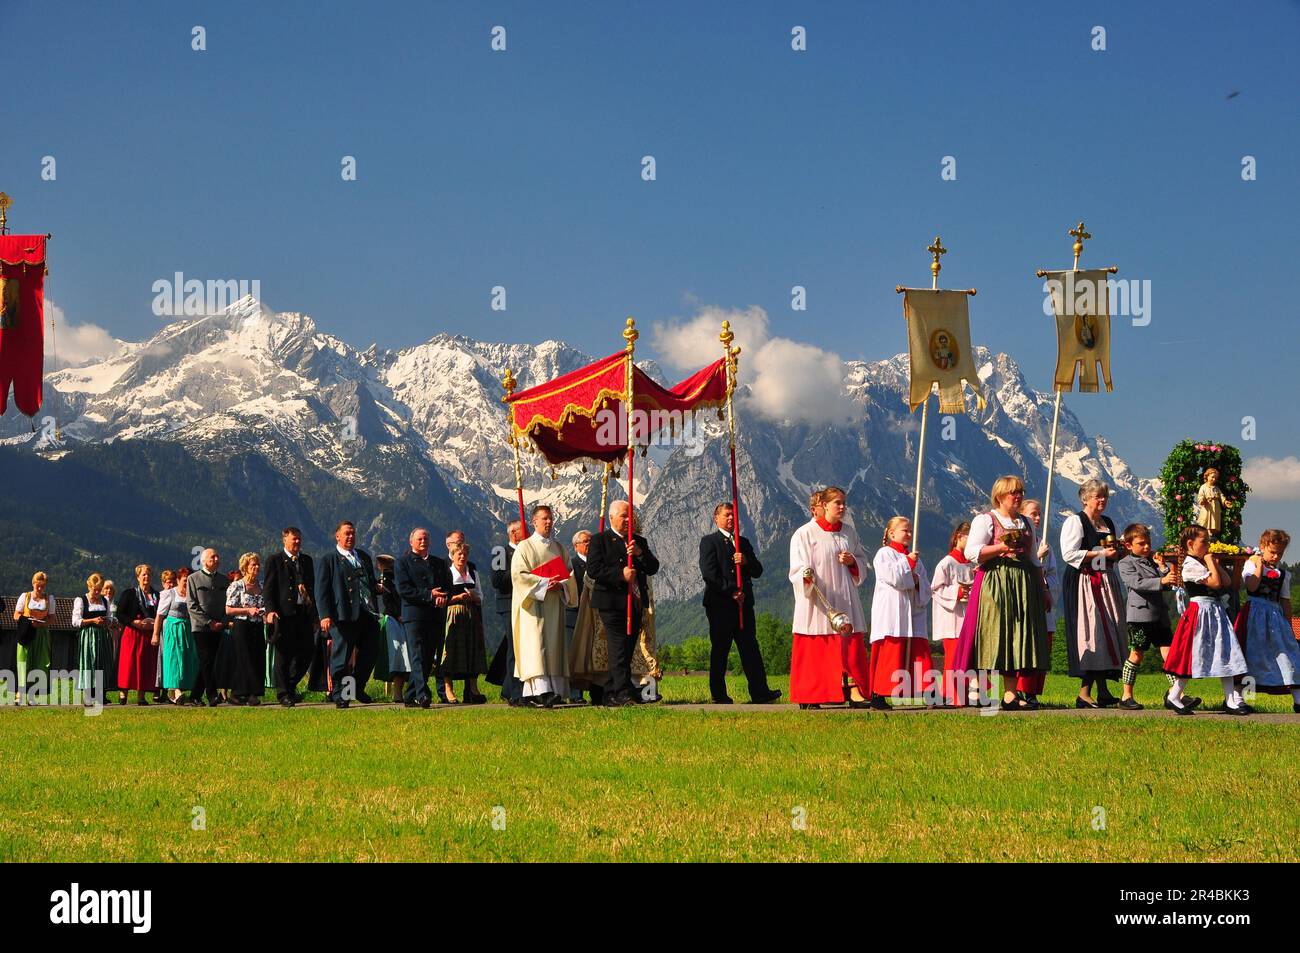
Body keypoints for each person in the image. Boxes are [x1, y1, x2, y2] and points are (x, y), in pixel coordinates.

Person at [954, 475, 1051, 711]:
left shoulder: (1026, 522)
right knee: (993, 632)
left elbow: (1033, 560)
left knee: (1018, 634)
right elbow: (972, 552)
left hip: (1023, 582)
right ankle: (979, 689)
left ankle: (1010, 694)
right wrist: (1001, 547)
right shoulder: (986, 520)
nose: (1018, 496)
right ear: (999, 496)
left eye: (1020, 492)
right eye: (1013, 493)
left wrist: (1043, 589)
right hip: (995, 581)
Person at [788, 486, 872, 709]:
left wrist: (853, 562)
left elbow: (863, 562)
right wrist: (806, 575)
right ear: (824, 505)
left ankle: (854, 691)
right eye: (838, 503)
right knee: (817, 645)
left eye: (844, 503)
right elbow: (797, 567)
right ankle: (812, 694)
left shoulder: (849, 533)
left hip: (844, 596)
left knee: (849, 645)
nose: (843, 507)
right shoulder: (805, 533)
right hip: (819, 599)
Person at [700, 503, 779, 704]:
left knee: (750, 648)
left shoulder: (743, 543)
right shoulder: (710, 542)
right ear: (716, 517)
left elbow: (758, 571)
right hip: (720, 605)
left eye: (734, 516)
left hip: (744, 605)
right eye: (727, 515)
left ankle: (760, 691)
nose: (731, 519)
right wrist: (731, 591)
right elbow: (709, 574)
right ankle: (719, 694)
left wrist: (746, 561)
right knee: (721, 649)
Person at [1164, 525, 1248, 714]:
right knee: (1193, 655)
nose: (1208, 545)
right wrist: (1210, 561)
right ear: (1190, 544)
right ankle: (1174, 694)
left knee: (1226, 651)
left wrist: (1215, 563)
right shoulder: (1189, 566)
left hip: (1215, 611)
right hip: (1200, 612)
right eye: (1204, 542)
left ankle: (1230, 700)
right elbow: (1216, 584)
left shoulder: (1202, 563)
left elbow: (1226, 582)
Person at [586, 500, 659, 706]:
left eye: (630, 516)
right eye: (623, 516)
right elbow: (594, 569)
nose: (628, 520)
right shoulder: (600, 540)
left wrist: (639, 554)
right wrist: (620, 574)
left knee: (627, 648)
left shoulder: (638, 542)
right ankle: (622, 691)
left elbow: (653, 567)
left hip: (634, 602)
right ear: (612, 518)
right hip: (611, 602)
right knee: (618, 647)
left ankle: (611, 690)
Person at [1060, 479, 1126, 708]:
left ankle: (1104, 690)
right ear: (1085, 498)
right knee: (1090, 633)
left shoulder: (1107, 523)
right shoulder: (1075, 521)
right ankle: (1084, 692)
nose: (1102, 500)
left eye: (1104, 497)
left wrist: (1118, 553)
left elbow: (1110, 555)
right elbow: (1069, 554)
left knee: (1109, 630)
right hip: (1085, 581)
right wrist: (1100, 553)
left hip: (1106, 580)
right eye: (1097, 496)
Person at [510, 505, 578, 708]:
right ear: (534, 522)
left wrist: (562, 584)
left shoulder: (559, 548)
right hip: (534, 606)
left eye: (550, 519)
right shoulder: (525, 547)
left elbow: (570, 574)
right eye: (544, 519)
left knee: (554, 645)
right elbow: (518, 576)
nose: (548, 522)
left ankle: (555, 690)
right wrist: (544, 583)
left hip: (554, 604)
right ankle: (539, 690)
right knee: (536, 646)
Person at [315, 520, 381, 708]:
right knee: (342, 656)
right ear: (337, 536)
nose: (351, 536)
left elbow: (368, 582)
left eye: (353, 533)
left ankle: (357, 687)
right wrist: (324, 615)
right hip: (343, 614)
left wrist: (378, 588)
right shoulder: (329, 560)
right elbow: (321, 590)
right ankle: (340, 694)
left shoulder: (364, 557)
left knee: (371, 651)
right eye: (347, 533)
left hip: (368, 613)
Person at [1116, 524, 1182, 711]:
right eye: (1141, 543)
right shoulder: (1125, 563)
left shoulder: (1152, 561)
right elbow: (1136, 583)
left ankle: (1177, 694)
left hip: (1159, 614)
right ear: (1129, 545)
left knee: (1169, 654)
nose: (1146, 547)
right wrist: (1161, 580)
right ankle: (1126, 696)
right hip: (1140, 615)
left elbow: (1166, 584)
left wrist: (1163, 568)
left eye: (1148, 543)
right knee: (1136, 654)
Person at [869, 516, 932, 708]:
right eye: (905, 530)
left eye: (910, 530)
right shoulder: (884, 554)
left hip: (911, 612)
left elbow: (925, 586)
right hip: (891, 611)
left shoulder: (913, 557)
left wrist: (917, 580)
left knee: (918, 652)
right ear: (891, 533)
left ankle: (929, 691)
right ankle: (879, 693)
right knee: (890, 652)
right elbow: (893, 578)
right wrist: (908, 565)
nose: (910, 534)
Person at [1237, 529, 1299, 712]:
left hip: (1274, 616)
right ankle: (1245, 699)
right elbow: (1251, 586)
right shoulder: (1251, 565)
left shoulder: (1283, 574)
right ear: (1262, 547)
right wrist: (1257, 564)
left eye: (1280, 553)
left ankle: (1298, 699)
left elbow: (1285, 601)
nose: (1276, 556)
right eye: (1272, 552)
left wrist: (1288, 625)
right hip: (1254, 614)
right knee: (1252, 655)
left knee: (1287, 653)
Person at [263, 527, 317, 707]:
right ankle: (283, 693)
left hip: (304, 613)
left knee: (307, 651)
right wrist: (270, 610)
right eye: (294, 539)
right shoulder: (275, 560)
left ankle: (291, 685)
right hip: (284, 614)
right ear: (285, 539)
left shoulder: (306, 561)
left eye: (299, 539)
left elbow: (312, 589)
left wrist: (315, 615)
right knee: (283, 655)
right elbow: (269, 589)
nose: (297, 542)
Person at [394, 527, 447, 708]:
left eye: (425, 538)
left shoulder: (439, 563)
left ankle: (410, 695)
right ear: (411, 542)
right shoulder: (403, 563)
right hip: (414, 615)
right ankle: (423, 694)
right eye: (419, 539)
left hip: (435, 615)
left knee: (427, 656)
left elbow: (447, 585)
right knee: (416, 654)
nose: (423, 541)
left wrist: (442, 597)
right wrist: (429, 595)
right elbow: (404, 589)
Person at [1015, 499, 1058, 708]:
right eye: (1033, 514)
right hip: (1024, 603)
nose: (1038, 518)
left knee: (1042, 648)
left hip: (1042, 602)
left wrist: (1046, 587)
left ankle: (1033, 691)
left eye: (1040, 514)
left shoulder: (1043, 544)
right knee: (1024, 646)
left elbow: (1053, 575)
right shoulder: (1019, 543)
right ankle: (1019, 689)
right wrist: (1036, 559)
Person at [931, 521, 973, 706]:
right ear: (959, 537)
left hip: (966, 615)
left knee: (966, 656)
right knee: (954, 657)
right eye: (970, 538)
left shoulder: (972, 564)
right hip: (951, 618)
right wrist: (956, 592)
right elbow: (935, 588)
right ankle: (951, 694)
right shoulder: (947, 562)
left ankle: (964, 695)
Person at [442, 541, 489, 704]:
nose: (462, 557)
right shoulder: (447, 572)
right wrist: (457, 597)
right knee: (451, 651)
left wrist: (473, 597)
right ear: (453, 556)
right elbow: (442, 596)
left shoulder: (472, 572)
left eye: (465, 554)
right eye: (459, 554)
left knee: (472, 650)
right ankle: (449, 689)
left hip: (471, 614)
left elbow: (481, 596)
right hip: (453, 614)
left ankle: (473, 688)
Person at [487, 520, 526, 704]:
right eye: (522, 530)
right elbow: (497, 580)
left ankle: (508, 688)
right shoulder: (500, 552)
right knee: (513, 647)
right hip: (508, 604)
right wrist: (517, 568)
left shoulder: (528, 551)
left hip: (526, 604)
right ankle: (514, 691)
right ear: (512, 533)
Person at [187, 549, 230, 707]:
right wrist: (209, 622)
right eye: (213, 557)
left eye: (218, 556)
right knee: (206, 660)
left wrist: (223, 622)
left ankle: (194, 696)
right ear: (204, 560)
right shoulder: (193, 578)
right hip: (201, 628)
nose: (217, 559)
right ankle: (212, 695)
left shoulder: (224, 580)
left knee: (209, 662)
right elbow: (192, 605)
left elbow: (229, 603)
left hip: (218, 627)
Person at [224, 553, 268, 705]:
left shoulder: (262, 585)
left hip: (258, 625)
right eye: (253, 565)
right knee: (244, 658)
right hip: (242, 626)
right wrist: (247, 611)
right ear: (245, 568)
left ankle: (254, 691)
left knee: (258, 657)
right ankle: (241, 692)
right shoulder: (237, 586)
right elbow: (228, 610)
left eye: (257, 564)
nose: (256, 567)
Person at [115, 564, 159, 706]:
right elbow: (120, 614)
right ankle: (123, 693)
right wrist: (134, 622)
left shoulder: (155, 595)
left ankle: (141, 696)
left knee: (145, 664)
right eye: (143, 575)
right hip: (132, 633)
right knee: (129, 663)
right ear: (138, 576)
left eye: (148, 575)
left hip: (148, 635)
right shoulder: (130, 593)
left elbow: (160, 613)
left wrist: (154, 625)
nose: (146, 577)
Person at [154, 567, 198, 705]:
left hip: (187, 629)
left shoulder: (193, 594)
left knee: (186, 660)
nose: (187, 583)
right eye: (185, 580)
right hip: (172, 629)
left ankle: (174, 692)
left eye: (189, 581)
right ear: (178, 580)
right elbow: (160, 616)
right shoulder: (170, 594)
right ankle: (177, 691)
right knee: (173, 659)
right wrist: (155, 634)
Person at [73, 572, 116, 706]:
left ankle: (100, 695)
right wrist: (92, 620)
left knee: (102, 663)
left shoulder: (105, 601)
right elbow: (75, 621)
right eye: (94, 589)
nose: (97, 592)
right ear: (89, 586)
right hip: (88, 635)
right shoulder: (81, 600)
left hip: (102, 635)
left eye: (99, 589)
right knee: (88, 663)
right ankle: (87, 696)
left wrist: (111, 622)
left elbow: (109, 617)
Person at [14, 572, 54, 705]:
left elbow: (52, 618)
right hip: (26, 632)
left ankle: (32, 695)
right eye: (38, 585)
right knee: (23, 661)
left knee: (39, 663)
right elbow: (16, 615)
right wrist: (27, 621)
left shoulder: (49, 599)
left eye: (43, 585)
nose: (40, 588)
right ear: (33, 583)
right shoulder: (25, 597)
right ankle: (20, 694)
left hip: (41, 634)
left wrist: (42, 623)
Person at [565, 529, 592, 703]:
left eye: (591, 541)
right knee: (574, 656)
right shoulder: (571, 565)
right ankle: (575, 695)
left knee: (592, 656)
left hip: (593, 616)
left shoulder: (598, 563)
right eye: (585, 541)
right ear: (576, 546)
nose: (589, 544)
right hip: (574, 616)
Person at [1195, 468, 1225, 537]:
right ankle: (1207, 532)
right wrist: (1203, 500)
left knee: (1213, 521)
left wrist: (1225, 501)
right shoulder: (1203, 487)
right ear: (1207, 476)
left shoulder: (1216, 488)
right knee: (1206, 520)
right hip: (1207, 506)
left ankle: (1211, 533)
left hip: (1215, 507)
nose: (1214, 479)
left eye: (1215, 478)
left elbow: (1221, 496)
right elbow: (1200, 496)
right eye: (1212, 477)